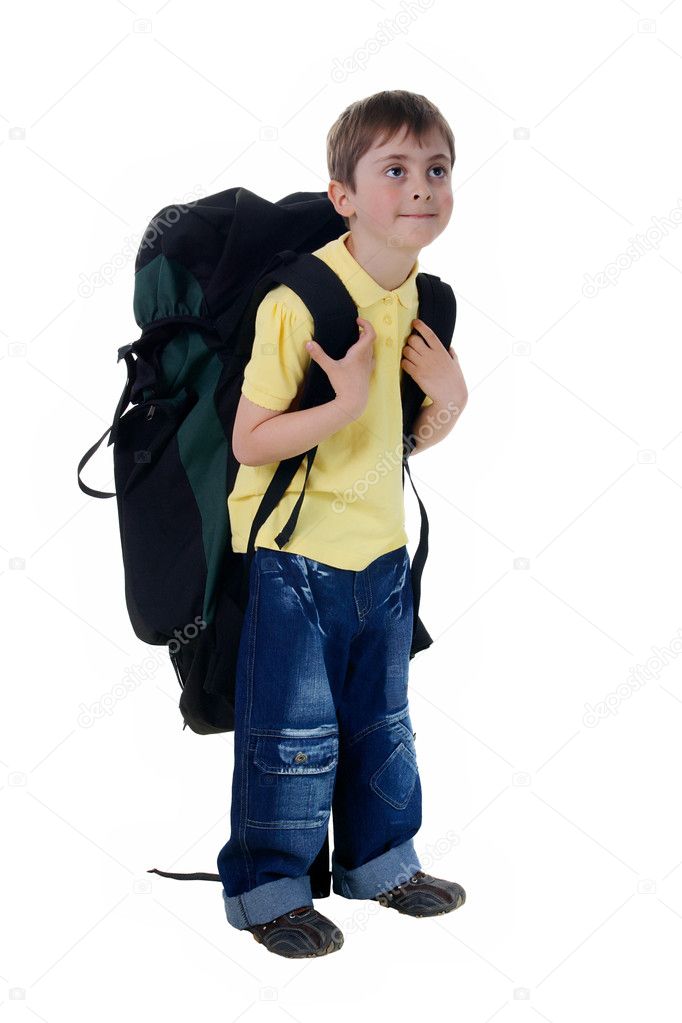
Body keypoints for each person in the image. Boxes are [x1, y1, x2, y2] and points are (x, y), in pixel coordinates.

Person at [217, 89, 469, 958]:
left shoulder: (426, 298)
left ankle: (380, 863)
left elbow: (402, 440)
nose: (421, 186)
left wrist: (452, 398)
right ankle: (270, 890)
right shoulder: (301, 302)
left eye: (436, 168)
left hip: (383, 553)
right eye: (394, 169)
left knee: (382, 723)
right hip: (295, 556)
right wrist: (345, 400)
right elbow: (250, 441)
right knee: (292, 734)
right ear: (344, 196)